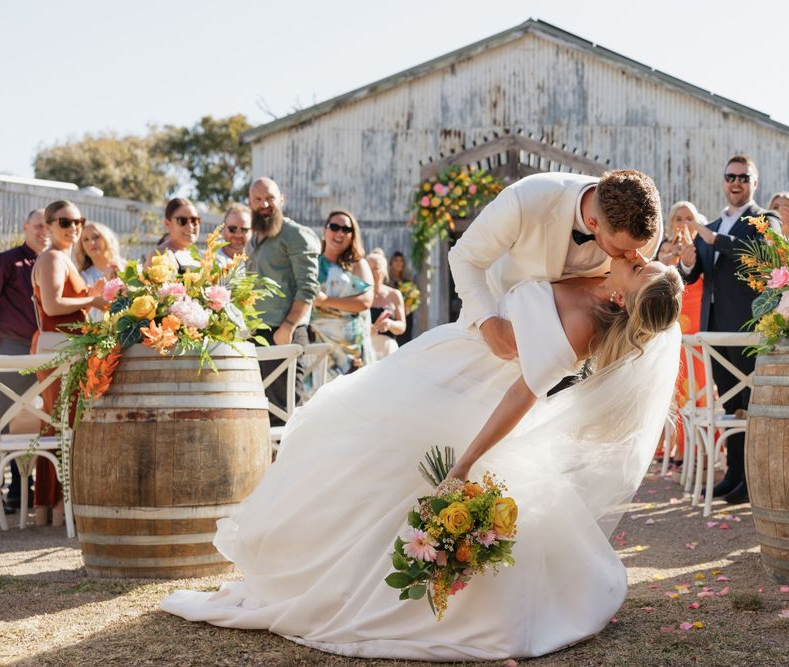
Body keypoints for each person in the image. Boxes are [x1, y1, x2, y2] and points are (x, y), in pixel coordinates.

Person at [160, 257, 684, 660]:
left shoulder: (584, 324)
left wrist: (465, 463)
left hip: (468, 393)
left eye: (640, 269)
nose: (637, 256)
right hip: (447, 354)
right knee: (354, 434)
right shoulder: (597, 261)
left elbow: (520, 398)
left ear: (621, 296)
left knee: (386, 454)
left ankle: (361, 592)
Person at [448, 169, 661, 363]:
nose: (634, 257)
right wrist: (490, 324)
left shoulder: (644, 225)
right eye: (622, 248)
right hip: (502, 317)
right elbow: (465, 257)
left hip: (573, 355)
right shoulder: (524, 200)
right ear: (593, 223)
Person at [678, 154, 782, 504]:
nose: (736, 182)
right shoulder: (713, 223)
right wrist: (687, 261)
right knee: (730, 407)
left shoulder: (765, 219)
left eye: (743, 177)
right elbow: (694, 276)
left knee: (752, 407)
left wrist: (711, 238)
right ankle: (734, 473)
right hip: (715, 330)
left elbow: (764, 254)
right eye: (730, 176)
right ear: (723, 181)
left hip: (748, 328)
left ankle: (753, 480)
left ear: (755, 183)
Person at [30, 201, 107, 526]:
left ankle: (51, 509)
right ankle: (61, 507)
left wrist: (94, 292)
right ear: (49, 225)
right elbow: (53, 304)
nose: (74, 227)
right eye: (65, 221)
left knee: (59, 422)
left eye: (78, 221)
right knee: (66, 422)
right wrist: (93, 299)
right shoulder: (51, 257)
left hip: (65, 347)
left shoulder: (63, 259)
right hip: (58, 348)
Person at [247, 178, 320, 422]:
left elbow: (308, 288)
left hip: (283, 333)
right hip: (256, 334)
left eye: (269, 198)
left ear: (281, 199)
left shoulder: (297, 235)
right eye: (257, 199)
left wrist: (288, 327)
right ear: (250, 203)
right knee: (260, 414)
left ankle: (295, 461)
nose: (264, 204)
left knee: (287, 414)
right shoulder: (255, 240)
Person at [0, 209, 47, 514]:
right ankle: (12, 487)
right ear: (25, 227)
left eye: (47, 226)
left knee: (38, 422)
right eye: (38, 226)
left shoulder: (54, 261)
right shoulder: (6, 262)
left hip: (48, 351)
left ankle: (27, 489)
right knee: (6, 422)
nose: (44, 231)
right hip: (13, 351)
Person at [656, 201, 707, 465]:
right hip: (672, 328)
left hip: (698, 329)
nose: (683, 223)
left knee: (699, 390)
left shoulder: (703, 251)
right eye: (678, 218)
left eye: (689, 218)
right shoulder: (664, 253)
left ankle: (697, 451)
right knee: (674, 391)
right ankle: (676, 449)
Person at [310, 210, 373, 377]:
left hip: (350, 347)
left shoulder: (358, 264)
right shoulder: (311, 263)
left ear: (353, 235)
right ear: (325, 230)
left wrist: (325, 300)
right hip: (317, 342)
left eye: (346, 229)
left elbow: (365, 301)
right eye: (334, 227)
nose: (340, 233)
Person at [74, 221, 122, 322]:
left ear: (106, 238)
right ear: (82, 246)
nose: (92, 242)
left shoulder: (124, 267)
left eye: (96, 237)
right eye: (86, 240)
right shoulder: (82, 277)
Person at [366, 251, 406, 361]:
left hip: (388, 350)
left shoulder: (394, 295)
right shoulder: (360, 295)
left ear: (384, 271)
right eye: (369, 268)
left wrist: (390, 324)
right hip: (366, 348)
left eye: (376, 268)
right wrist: (365, 329)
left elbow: (402, 326)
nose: (372, 272)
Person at [146, 199, 202, 271]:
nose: (190, 227)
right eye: (182, 221)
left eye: (194, 220)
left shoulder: (195, 254)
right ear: (167, 223)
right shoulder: (160, 256)